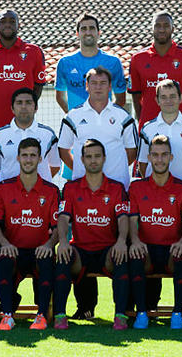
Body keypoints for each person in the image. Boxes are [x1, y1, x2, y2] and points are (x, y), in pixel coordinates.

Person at [53, 140, 131, 330]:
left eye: (97, 156)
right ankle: (59, 315)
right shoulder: (71, 188)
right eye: (89, 157)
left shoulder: (116, 188)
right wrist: (62, 241)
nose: (93, 160)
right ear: (82, 160)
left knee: (121, 256)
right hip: (81, 249)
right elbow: (63, 219)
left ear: (104, 159)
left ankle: (121, 315)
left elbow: (123, 219)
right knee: (64, 256)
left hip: (108, 250)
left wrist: (121, 241)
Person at [0, 138, 60, 330]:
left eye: (33, 155)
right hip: (13, 249)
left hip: (39, 251)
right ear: (18, 158)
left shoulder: (52, 191)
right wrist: (4, 243)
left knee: (46, 258)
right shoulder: (4, 188)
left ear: (40, 159)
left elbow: (58, 227)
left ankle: (42, 316)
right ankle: (7, 315)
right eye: (25, 155)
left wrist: (49, 245)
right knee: (3, 258)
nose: (28, 160)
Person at [127, 135, 182, 329]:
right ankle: (141, 313)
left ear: (171, 158)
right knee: (135, 254)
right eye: (155, 155)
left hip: (172, 248)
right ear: (148, 157)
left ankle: (177, 314)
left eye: (164, 155)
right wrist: (135, 240)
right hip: (146, 248)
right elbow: (132, 219)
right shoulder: (136, 187)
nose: (159, 159)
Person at [59, 67, 138, 187]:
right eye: (94, 83)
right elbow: (63, 150)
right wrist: (82, 169)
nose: (98, 87)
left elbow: (133, 150)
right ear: (87, 85)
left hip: (117, 185)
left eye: (103, 83)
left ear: (110, 86)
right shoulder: (72, 116)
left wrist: (115, 168)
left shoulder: (123, 116)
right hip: (83, 187)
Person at [0, 9, 47, 134]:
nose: (8, 24)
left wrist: (26, 107)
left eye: (12, 21)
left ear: (19, 25)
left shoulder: (34, 52)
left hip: (25, 126)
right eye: (3, 21)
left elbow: (38, 87)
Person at [129, 11, 182, 128]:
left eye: (166, 26)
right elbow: (136, 96)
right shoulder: (138, 58)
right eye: (157, 26)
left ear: (173, 29)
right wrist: (144, 119)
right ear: (151, 28)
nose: (162, 30)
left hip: (180, 126)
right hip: (149, 127)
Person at [55, 13, 127, 112]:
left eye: (92, 28)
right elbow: (60, 97)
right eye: (84, 29)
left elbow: (121, 99)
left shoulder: (113, 62)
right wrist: (72, 117)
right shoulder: (65, 63)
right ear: (77, 34)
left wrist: (107, 116)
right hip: (76, 125)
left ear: (98, 33)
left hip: (104, 124)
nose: (88, 32)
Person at [138, 79, 182, 184]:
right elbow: (143, 164)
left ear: (181, 98)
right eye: (163, 97)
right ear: (157, 100)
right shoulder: (147, 129)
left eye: (173, 96)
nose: (168, 101)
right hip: (157, 192)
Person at [0, 88, 60, 183]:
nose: (24, 107)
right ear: (12, 108)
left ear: (36, 108)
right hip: (9, 195)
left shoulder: (48, 134)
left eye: (28, 102)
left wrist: (40, 183)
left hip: (40, 195)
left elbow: (55, 166)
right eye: (19, 103)